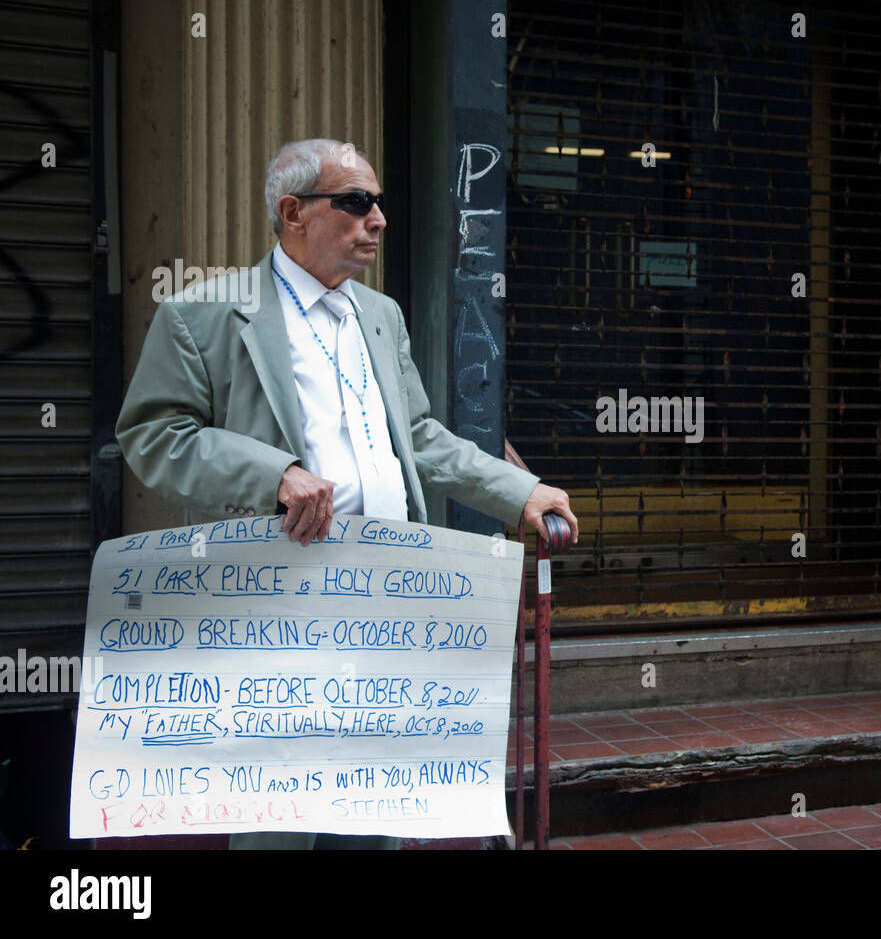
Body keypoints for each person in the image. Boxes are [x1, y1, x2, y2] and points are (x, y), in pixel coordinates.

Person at [115, 138, 578, 849]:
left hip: (384, 601)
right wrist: (271, 472)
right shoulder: (202, 314)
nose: (379, 219)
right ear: (294, 211)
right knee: (283, 816)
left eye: (379, 203)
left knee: (375, 809)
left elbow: (419, 436)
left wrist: (518, 490)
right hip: (278, 604)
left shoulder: (380, 315)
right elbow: (154, 437)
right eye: (357, 202)